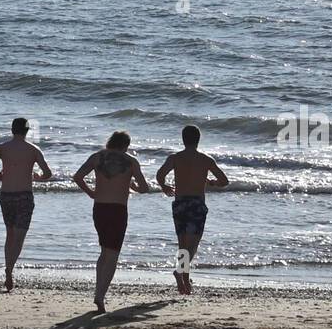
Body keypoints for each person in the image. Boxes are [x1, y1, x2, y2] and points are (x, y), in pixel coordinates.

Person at [72, 130, 151, 312]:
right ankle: (100, 295)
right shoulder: (131, 161)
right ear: (126, 145)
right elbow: (145, 188)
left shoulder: (97, 157)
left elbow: (77, 177)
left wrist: (91, 192)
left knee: (104, 252)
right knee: (112, 254)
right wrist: (131, 186)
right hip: (118, 210)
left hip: (99, 208)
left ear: (110, 142)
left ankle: (98, 291)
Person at [155, 125, 229, 294]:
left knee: (182, 244)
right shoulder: (205, 159)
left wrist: (164, 186)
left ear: (183, 139)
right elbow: (224, 180)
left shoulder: (175, 158)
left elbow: (160, 175)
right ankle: (180, 272)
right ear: (198, 140)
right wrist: (211, 183)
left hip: (180, 202)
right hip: (196, 203)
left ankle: (185, 283)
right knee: (193, 245)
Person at [0, 117, 52, 292]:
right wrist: (37, 177)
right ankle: (10, 269)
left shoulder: (2, 148)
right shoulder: (33, 149)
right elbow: (48, 173)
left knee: (10, 235)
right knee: (20, 237)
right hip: (24, 196)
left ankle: (8, 267)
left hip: (6, 195)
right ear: (27, 131)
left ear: (12, 130)